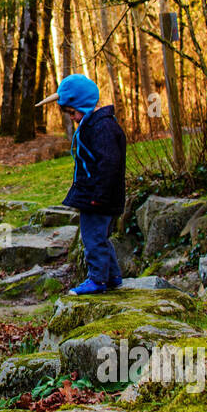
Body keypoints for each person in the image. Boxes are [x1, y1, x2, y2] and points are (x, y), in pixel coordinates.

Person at [51, 74, 126, 294]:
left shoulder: (102, 128)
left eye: (73, 112)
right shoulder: (95, 125)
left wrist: (98, 196)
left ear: (83, 104)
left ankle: (97, 280)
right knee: (99, 237)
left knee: (93, 238)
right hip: (96, 196)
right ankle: (112, 276)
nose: (73, 118)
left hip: (100, 198)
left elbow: (109, 164)